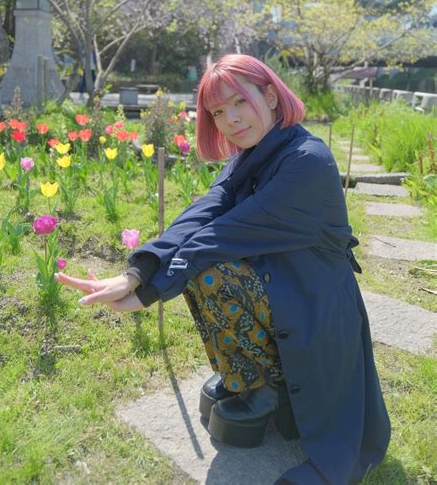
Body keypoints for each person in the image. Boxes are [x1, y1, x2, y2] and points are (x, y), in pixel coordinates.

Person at [55, 54, 390, 484]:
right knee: (205, 270)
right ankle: (258, 384)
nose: (230, 119)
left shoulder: (307, 161)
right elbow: (203, 213)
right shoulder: (249, 156)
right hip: (278, 285)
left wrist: (149, 293)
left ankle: (271, 386)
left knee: (208, 269)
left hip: (313, 303)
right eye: (217, 112)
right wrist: (136, 271)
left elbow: (221, 235)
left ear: (271, 96)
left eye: (240, 102)